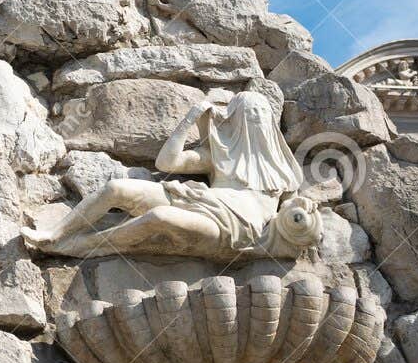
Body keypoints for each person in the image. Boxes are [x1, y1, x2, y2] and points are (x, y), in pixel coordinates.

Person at [25, 89, 317, 260]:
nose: (253, 119)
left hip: (234, 232)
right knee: (117, 188)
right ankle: (55, 233)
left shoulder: (286, 173)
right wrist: (193, 117)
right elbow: (167, 163)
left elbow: (294, 219)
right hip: (202, 200)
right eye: (245, 113)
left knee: (160, 218)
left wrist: (300, 217)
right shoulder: (220, 156)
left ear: (269, 123)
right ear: (233, 120)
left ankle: (83, 247)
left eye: (259, 114)